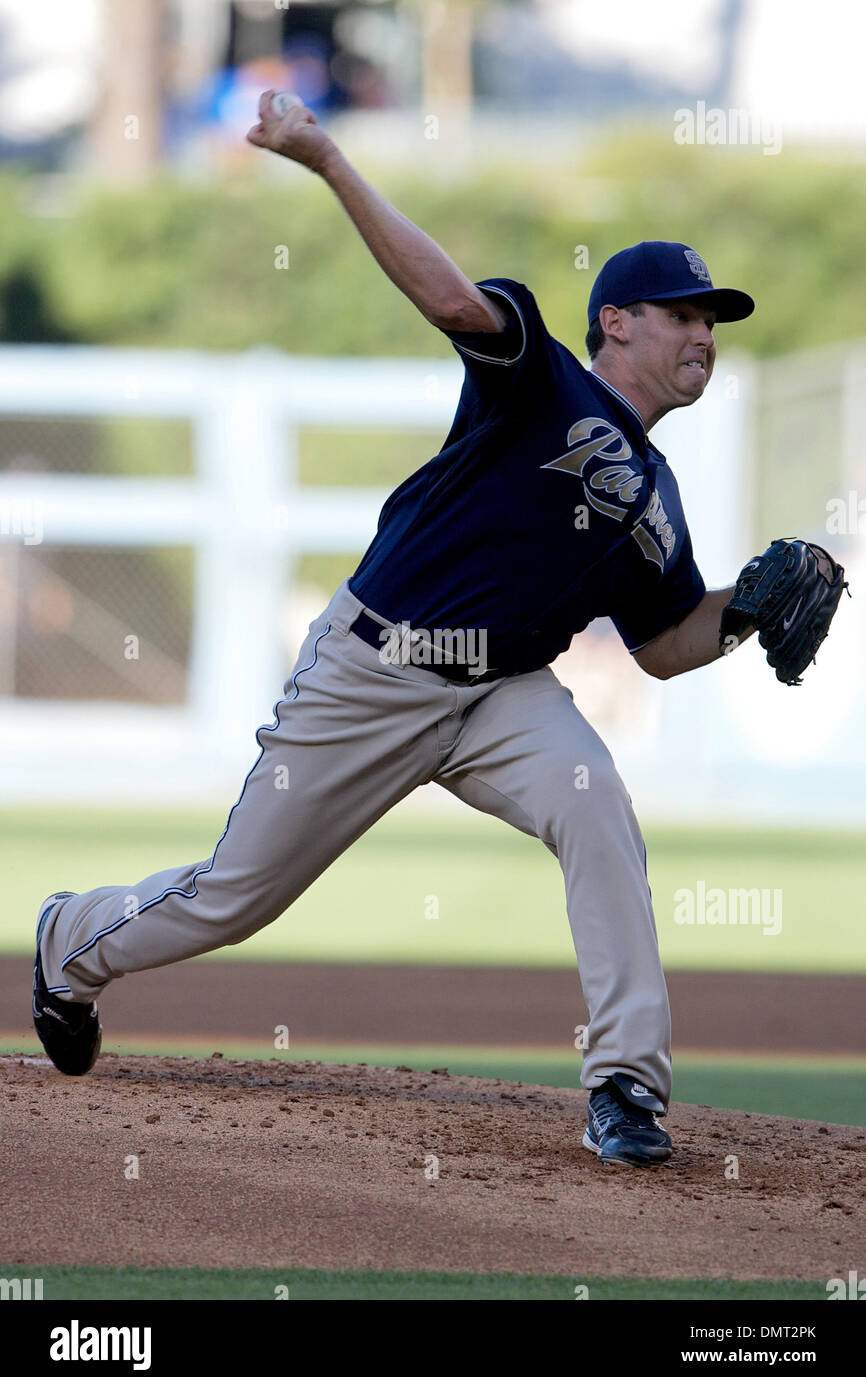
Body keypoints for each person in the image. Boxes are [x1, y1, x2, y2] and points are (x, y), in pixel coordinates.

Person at [32, 92, 756, 1169]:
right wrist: (323, 157)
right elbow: (449, 297)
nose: (702, 332)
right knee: (235, 898)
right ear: (617, 322)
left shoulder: (656, 497)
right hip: (377, 666)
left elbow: (661, 642)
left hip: (501, 696)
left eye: (710, 320)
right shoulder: (541, 381)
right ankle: (69, 943)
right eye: (683, 312)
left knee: (594, 804)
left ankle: (624, 1088)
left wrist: (743, 613)